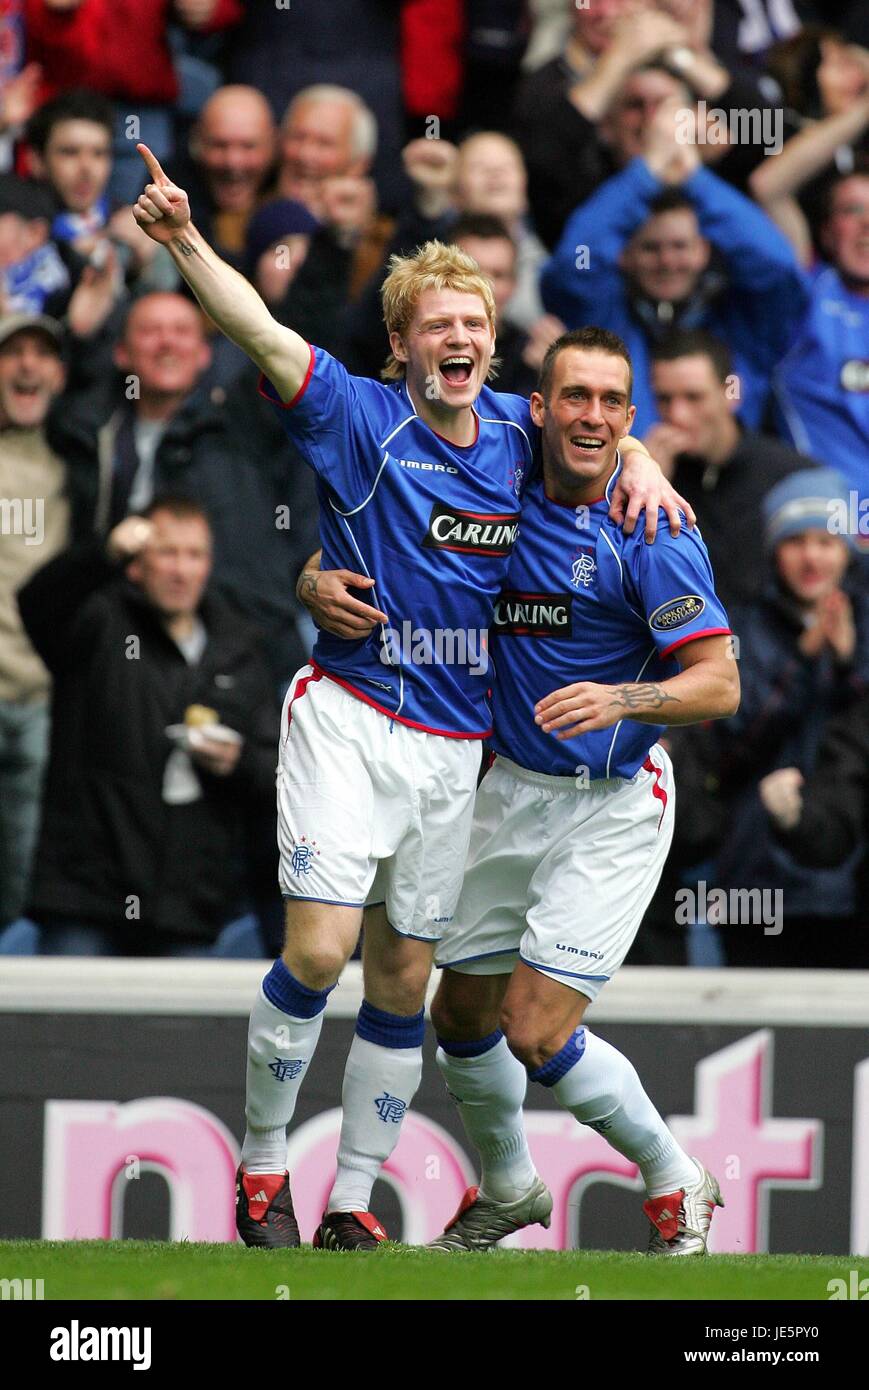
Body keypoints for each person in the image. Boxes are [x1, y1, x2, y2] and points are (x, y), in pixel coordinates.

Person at [129, 140, 690, 1250]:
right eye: (437, 324)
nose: (459, 339)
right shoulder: (355, 413)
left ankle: (351, 1201)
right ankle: (260, 1167)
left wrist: (644, 459)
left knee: (401, 981)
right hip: (345, 715)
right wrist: (187, 238)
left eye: (474, 325)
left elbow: (597, 419)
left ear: (492, 343)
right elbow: (257, 328)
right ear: (400, 344)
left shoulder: (520, 435)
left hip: (453, 751)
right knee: (321, 952)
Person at [306, 328, 738, 1255]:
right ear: (535, 409)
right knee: (457, 1013)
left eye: (609, 405)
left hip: (611, 802)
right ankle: (508, 1190)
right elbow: (382, 537)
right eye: (571, 397)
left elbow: (720, 683)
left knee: (534, 1027)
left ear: (630, 419)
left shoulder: (649, 530)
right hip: (505, 789)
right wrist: (310, 575)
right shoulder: (492, 484)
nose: (589, 417)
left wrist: (622, 694)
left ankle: (675, 1184)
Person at [15, 494, 280, 955]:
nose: (181, 569)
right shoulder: (97, 624)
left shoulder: (239, 648)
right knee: (68, 1028)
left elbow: (277, 770)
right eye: (167, 552)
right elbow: (38, 602)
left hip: (188, 911)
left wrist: (236, 761)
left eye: (193, 554)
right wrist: (104, 552)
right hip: (85, 901)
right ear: (137, 563)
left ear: (209, 564)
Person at [540, 97, 808, 432]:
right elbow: (576, 259)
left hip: (733, 480)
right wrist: (649, 169)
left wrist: (694, 176)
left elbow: (777, 267)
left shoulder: (742, 325)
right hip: (622, 478)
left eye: (680, 246)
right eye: (651, 248)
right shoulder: (603, 319)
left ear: (704, 251)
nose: (668, 261)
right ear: (625, 255)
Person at [712, 469, 869, 968]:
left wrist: (848, 667)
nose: (812, 557)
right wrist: (802, 659)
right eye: (795, 541)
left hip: (849, 877)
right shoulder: (741, 627)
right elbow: (730, 746)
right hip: (757, 876)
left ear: (846, 551)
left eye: (826, 541)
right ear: (773, 551)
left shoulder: (864, 622)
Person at [644, 329, 818, 608]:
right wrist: (647, 490)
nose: (677, 415)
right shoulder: (648, 476)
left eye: (693, 397)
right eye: (665, 399)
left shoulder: (792, 476)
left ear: (732, 393)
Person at [0, 311, 68, 931]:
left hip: (43, 702)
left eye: (41, 354)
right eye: (12, 352)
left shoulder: (78, 460)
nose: (26, 364)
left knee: (21, 884)